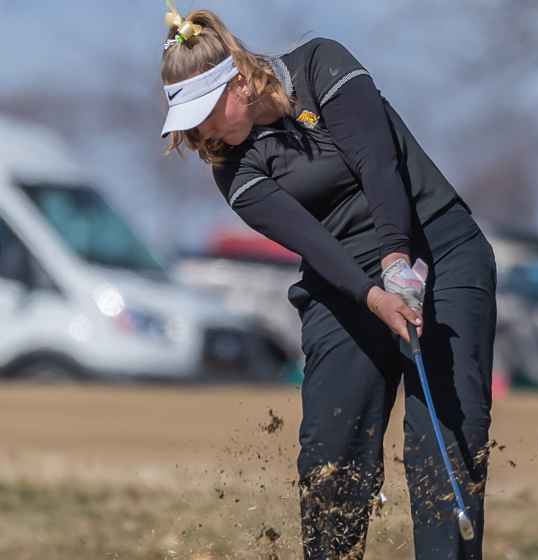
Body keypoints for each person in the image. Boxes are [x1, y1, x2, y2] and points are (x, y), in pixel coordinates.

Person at [159, 6, 496, 559]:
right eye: (190, 122)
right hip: (345, 283)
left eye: (206, 112)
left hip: (439, 245)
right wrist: (376, 294)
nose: (201, 132)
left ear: (239, 79)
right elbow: (315, 246)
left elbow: (378, 165)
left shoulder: (321, 64)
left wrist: (396, 263)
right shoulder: (231, 167)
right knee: (332, 455)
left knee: (443, 439)